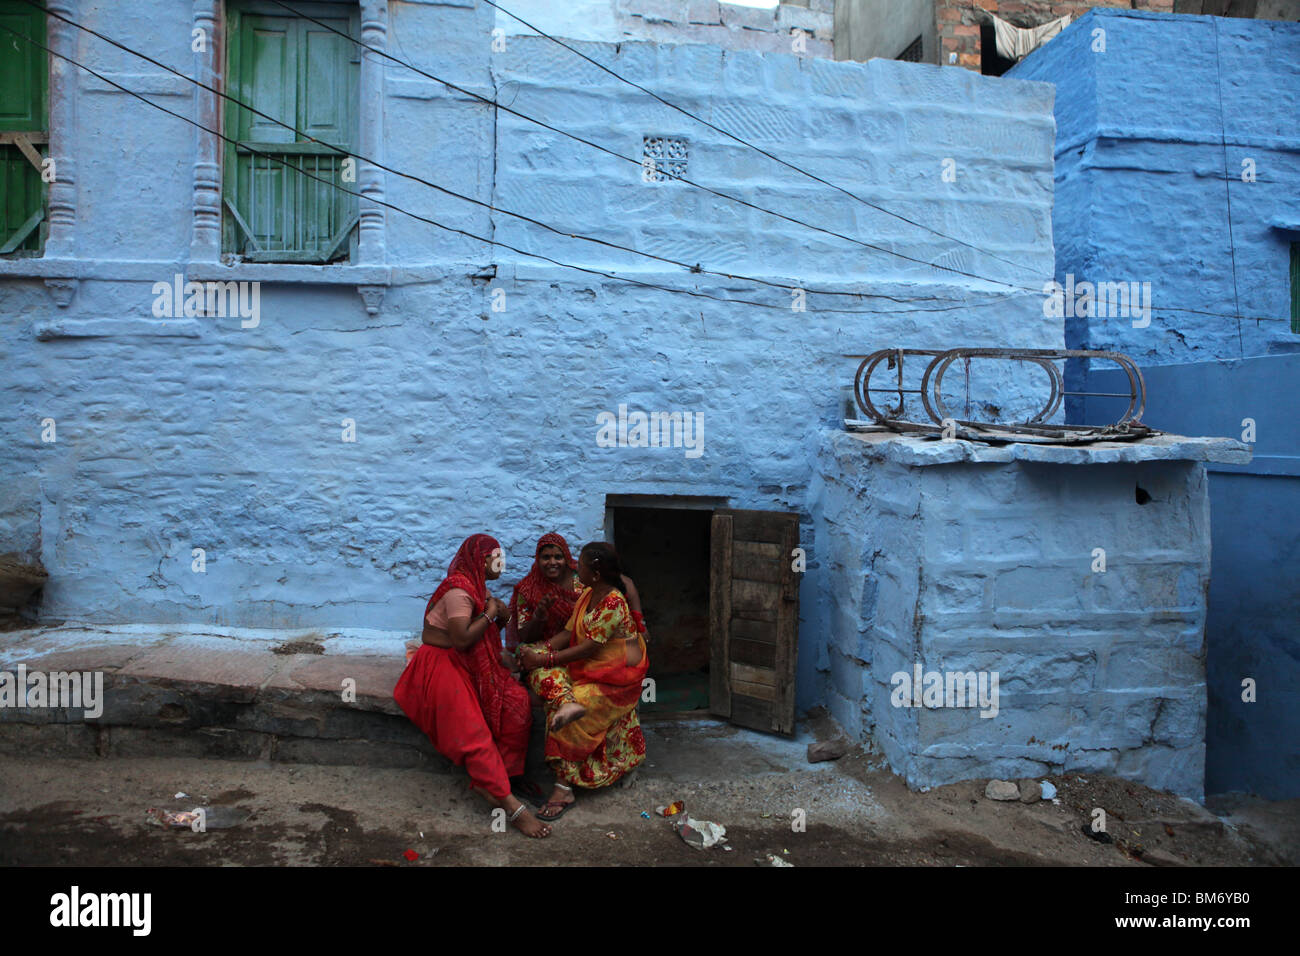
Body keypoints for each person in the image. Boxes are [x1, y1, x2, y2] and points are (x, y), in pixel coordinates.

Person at [393, 534, 551, 838]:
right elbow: (462, 639)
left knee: (516, 703)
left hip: (464, 661)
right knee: (472, 731)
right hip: (440, 665)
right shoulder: (459, 591)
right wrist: (492, 613)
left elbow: (480, 632)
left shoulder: (477, 588)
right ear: (481, 561)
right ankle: (512, 807)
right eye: (497, 559)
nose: (502, 565)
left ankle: (498, 779)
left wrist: (497, 616)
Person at [516, 542, 649, 821]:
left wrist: (544, 659)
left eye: (583, 566)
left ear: (596, 573)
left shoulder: (613, 602)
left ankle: (564, 788)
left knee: (568, 711)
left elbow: (588, 647)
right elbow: (567, 634)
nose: (577, 568)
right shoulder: (589, 594)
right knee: (540, 675)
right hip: (588, 668)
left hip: (615, 678)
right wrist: (538, 653)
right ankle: (565, 701)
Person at [506, 532, 649, 652]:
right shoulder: (528, 589)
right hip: (553, 643)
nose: (552, 562)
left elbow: (625, 582)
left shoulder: (582, 575)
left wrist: (640, 623)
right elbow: (525, 636)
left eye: (558, 557)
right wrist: (539, 616)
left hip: (587, 643)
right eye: (546, 557)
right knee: (525, 652)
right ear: (538, 560)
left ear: (566, 558)